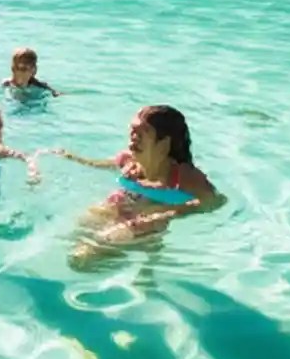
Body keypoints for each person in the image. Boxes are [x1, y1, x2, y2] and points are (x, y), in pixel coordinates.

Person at [54, 105, 222, 263]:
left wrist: (167, 213)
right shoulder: (129, 161)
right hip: (117, 205)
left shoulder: (184, 176)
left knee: (82, 259)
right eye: (133, 130)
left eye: (144, 131)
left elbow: (215, 202)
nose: (134, 137)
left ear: (164, 143)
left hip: (146, 220)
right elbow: (103, 164)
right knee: (67, 237)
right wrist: (74, 158)